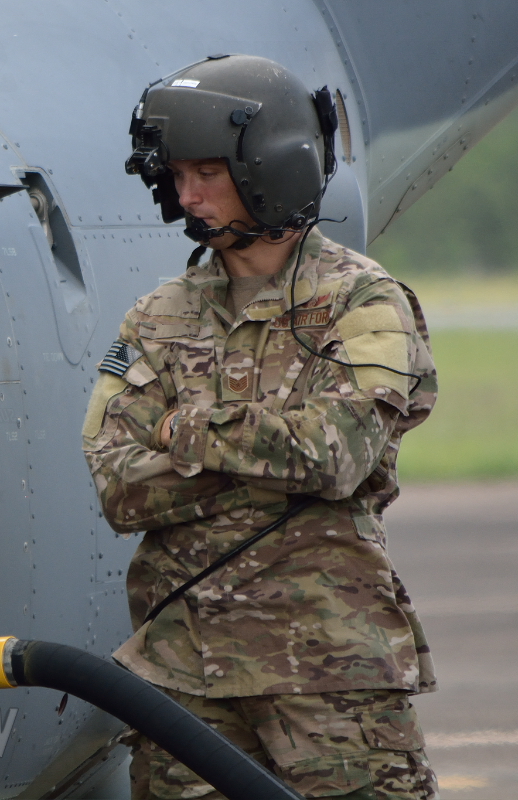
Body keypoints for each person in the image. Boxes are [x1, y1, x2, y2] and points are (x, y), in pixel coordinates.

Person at [81, 55, 440, 799]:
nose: (188, 194)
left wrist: (181, 431)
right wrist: (274, 466)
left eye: (207, 173)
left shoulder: (363, 301)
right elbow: (118, 486)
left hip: (330, 676)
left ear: (271, 169)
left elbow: (336, 455)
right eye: (177, 175)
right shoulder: (155, 318)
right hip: (184, 683)